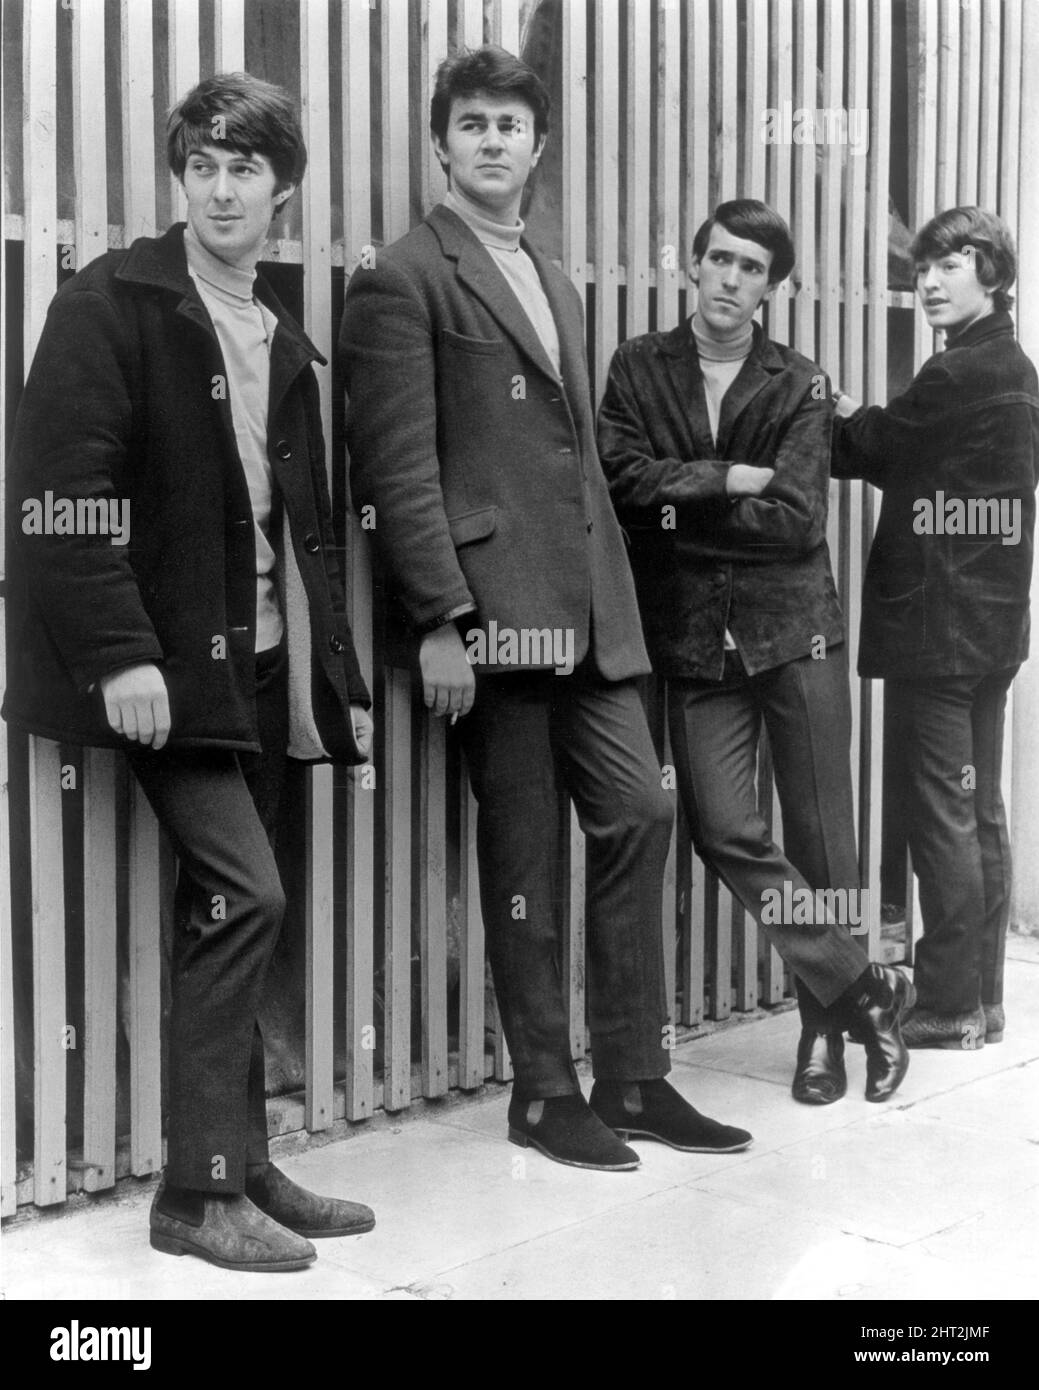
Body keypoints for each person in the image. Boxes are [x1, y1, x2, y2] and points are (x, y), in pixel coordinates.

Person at [340, 45, 752, 1170]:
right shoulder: (403, 275)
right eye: (469, 123)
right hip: (490, 619)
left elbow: (573, 465)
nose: (489, 141)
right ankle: (540, 1091)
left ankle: (631, 1074)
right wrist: (437, 618)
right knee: (524, 859)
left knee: (637, 814)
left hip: (589, 618)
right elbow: (396, 467)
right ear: (439, 144)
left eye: (509, 126)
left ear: (537, 145)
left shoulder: (555, 277)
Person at [4, 73, 376, 1272]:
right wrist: (118, 652)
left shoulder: (275, 326)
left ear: (283, 186)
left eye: (245, 168)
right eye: (202, 167)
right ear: (181, 178)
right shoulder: (116, 300)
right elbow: (57, 498)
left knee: (237, 912)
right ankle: (194, 1193)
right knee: (247, 896)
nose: (221, 190)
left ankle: (243, 1163)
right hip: (170, 670)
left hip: (259, 668)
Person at [597, 199, 915, 1106]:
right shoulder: (636, 366)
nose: (731, 280)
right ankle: (867, 990)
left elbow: (794, 520)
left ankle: (823, 1040)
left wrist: (681, 506)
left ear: (771, 288)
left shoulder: (800, 384)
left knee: (825, 849)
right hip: (694, 645)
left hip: (795, 634)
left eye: (751, 269)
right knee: (723, 829)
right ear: (691, 266)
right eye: (720, 261)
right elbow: (620, 484)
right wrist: (729, 477)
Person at [831, 206, 1039, 1049]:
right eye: (921, 269)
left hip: (937, 625)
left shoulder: (959, 374)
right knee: (977, 809)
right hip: (988, 627)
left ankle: (947, 1003)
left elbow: (876, 449)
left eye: (949, 264)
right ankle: (978, 1000)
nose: (927, 281)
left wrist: (836, 408)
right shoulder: (1016, 368)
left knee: (942, 814)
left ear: (991, 272)